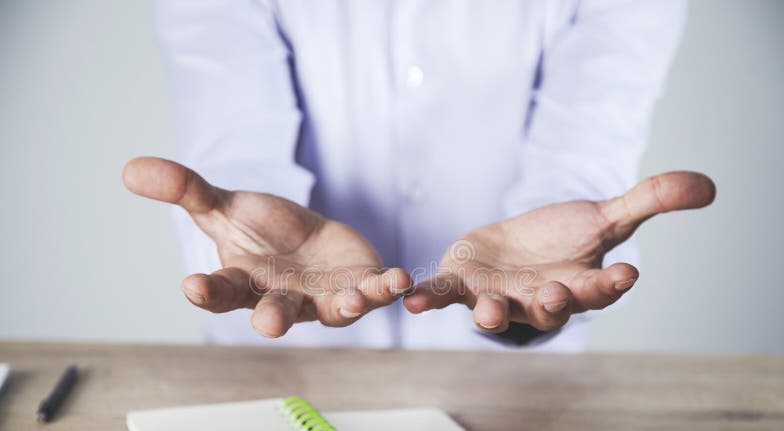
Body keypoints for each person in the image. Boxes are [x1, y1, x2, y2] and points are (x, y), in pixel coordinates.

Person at [124, 0, 715, 351]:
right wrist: (260, 235)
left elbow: (584, 148)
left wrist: (526, 291)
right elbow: (236, 133)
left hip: (514, 380)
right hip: (284, 356)